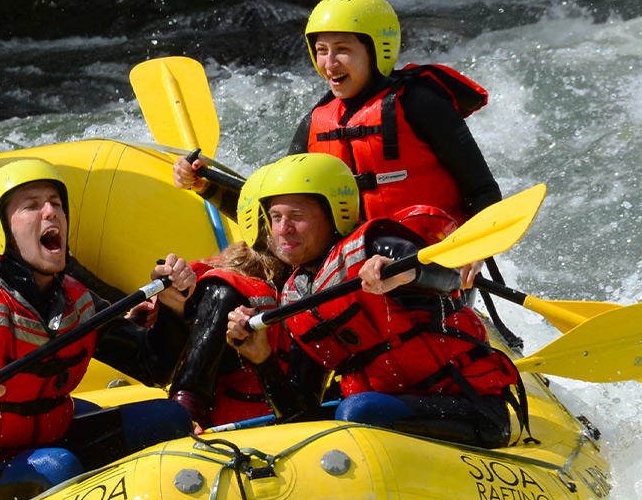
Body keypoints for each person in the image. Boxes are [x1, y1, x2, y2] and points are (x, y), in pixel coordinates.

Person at [0, 158, 197, 500]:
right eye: (31, 206)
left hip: (43, 442)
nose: (50, 213)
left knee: (170, 417)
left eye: (56, 204)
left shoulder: (77, 298)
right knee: (58, 467)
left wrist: (172, 308)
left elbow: (153, 365)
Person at [173, 0, 500, 287]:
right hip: (345, 267)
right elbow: (279, 218)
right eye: (322, 51)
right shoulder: (315, 123)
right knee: (240, 272)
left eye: (342, 50)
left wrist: (474, 248)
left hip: (425, 267)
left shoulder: (421, 104)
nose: (329, 64)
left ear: (376, 50)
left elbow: (483, 190)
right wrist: (205, 185)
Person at [224, 153, 524, 447]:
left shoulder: (379, 248)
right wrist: (262, 359)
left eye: (297, 217)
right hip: (393, 411)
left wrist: (406, 275)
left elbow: (452, 281)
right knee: (343, 414)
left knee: (357, 411)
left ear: (334, 215)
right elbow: (300, 413)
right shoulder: (297, 298)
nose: (282, 229)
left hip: (470, 407)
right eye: (276, 217)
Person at [168, 165, 291, 431]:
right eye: (278, 218)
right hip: (228, 431)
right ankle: (187, 415)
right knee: (223, 293)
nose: (288, 228)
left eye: (298, 215)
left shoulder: (320, 273)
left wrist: (207, 187)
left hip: (295, 415)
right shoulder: (226, 289)